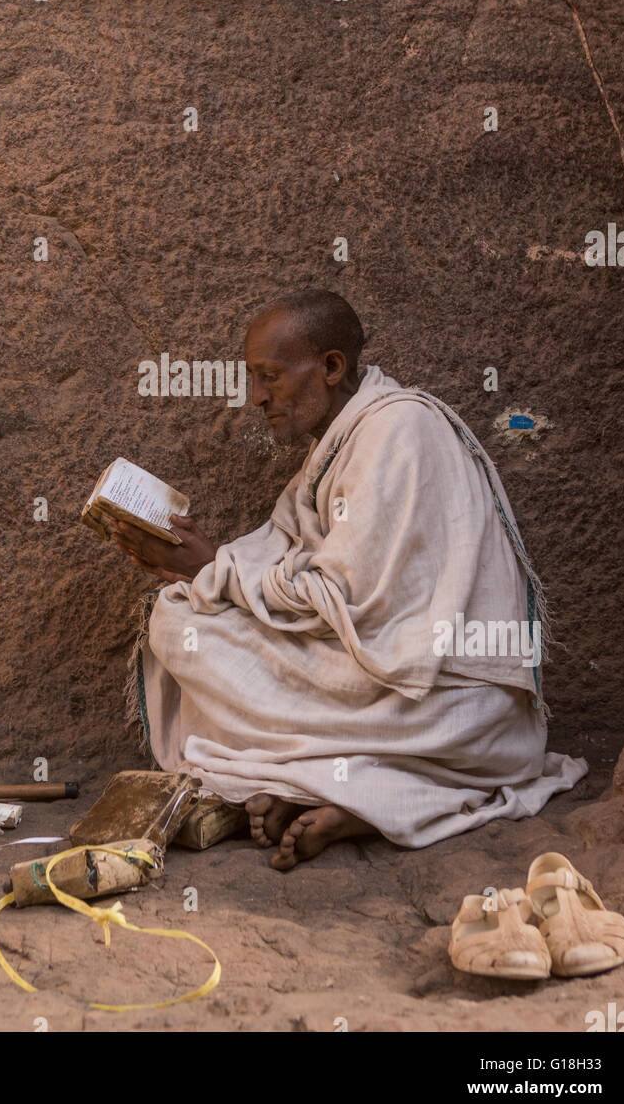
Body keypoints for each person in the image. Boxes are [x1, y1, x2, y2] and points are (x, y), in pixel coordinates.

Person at [112, 291, 587, 870]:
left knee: (192, 614)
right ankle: (348, 791)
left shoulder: (399, 429)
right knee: (180, 616)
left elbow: (349, 598)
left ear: (332, 367)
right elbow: (284, 564)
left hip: (449, 703)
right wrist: (197, 565)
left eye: (270, 377)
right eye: (252, 379)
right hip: (379, 680)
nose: (257, 398)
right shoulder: (337, 445)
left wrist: (213, 567)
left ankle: (333, 788)